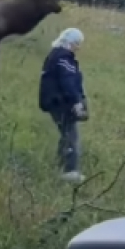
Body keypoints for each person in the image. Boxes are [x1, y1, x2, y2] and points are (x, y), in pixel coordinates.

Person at [38, 28, 88, 183]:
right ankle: (70, 172)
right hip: (60, 102)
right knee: (71, 136)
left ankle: (60, 167)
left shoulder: (56, 55)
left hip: (55, 101)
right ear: (70, 42)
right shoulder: (63, 58)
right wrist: (76, 102)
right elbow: (68, 81)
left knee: (65, 134)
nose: (78, 47)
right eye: (77, 43)